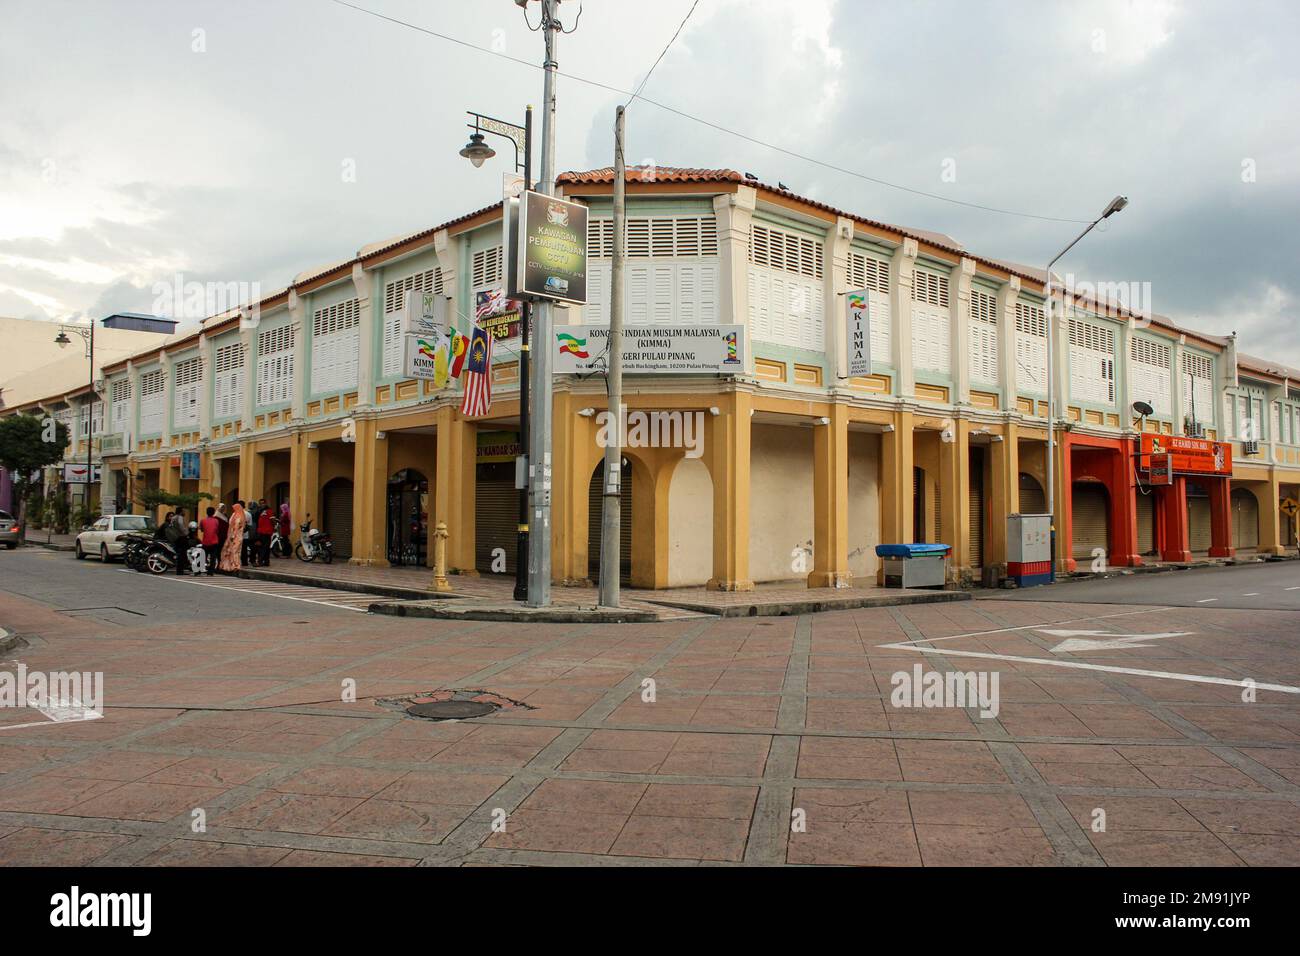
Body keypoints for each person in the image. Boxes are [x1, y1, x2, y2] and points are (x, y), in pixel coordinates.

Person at [219, 502, 246, 573]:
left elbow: (236, 527)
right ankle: (229, 565)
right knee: (229, 550)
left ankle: (236, 566)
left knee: (235, 551)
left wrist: (232, 536)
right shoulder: (235, 515)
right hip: (233, 536)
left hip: (236, 536)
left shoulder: (239, 517)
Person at [199, 507, 221, 576]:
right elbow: (217, 530)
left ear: (206, 512)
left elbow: (202, 529)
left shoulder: (203, 520)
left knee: (203, 557)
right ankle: (211, 572)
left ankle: (200, 569)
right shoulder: (216, 521)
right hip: (214, 541)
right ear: (214, 513)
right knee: (213, 557)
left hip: (205, 541)